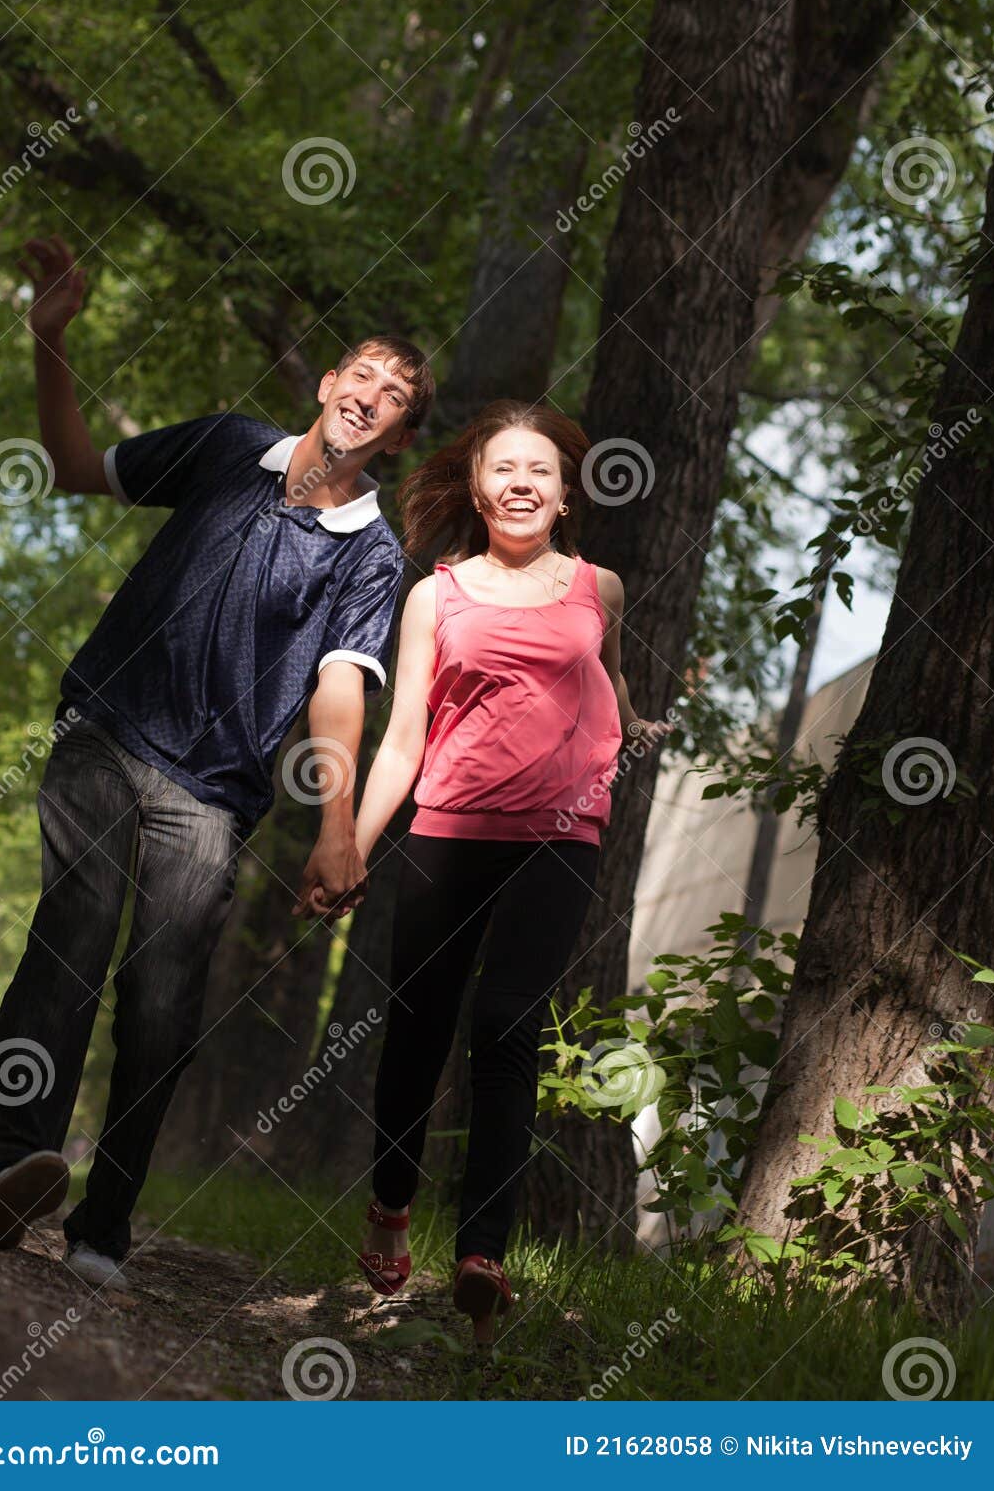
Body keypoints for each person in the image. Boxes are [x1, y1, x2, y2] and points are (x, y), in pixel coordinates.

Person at [0, 234, 435, 1288]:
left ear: (399, 435)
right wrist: (49, 341)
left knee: (164, 997)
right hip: (108, 723)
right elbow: (78, 470)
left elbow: (337, 689)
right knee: (78, 922)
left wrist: (336, 826)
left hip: (214, 790)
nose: (370, 394)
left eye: (395, 396)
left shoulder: (372, 557)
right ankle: (10, 1166)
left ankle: (104, 1224)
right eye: (362, 374)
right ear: (327, 384)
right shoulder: (228, 447)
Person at [351, 401, 673, 1343]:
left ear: (566, 493)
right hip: (448, 829)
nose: (522, 482)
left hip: (560, 837)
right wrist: (350, 846)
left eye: (540, 469)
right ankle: (391, 1205)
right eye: (504, 467)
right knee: (419, 1026)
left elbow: (607, 671)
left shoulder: (599, 587)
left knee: (506, 1025)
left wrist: (630, 724)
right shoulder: (436, 595)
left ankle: (481, 1255)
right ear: (478, 487)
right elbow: (403, 735)